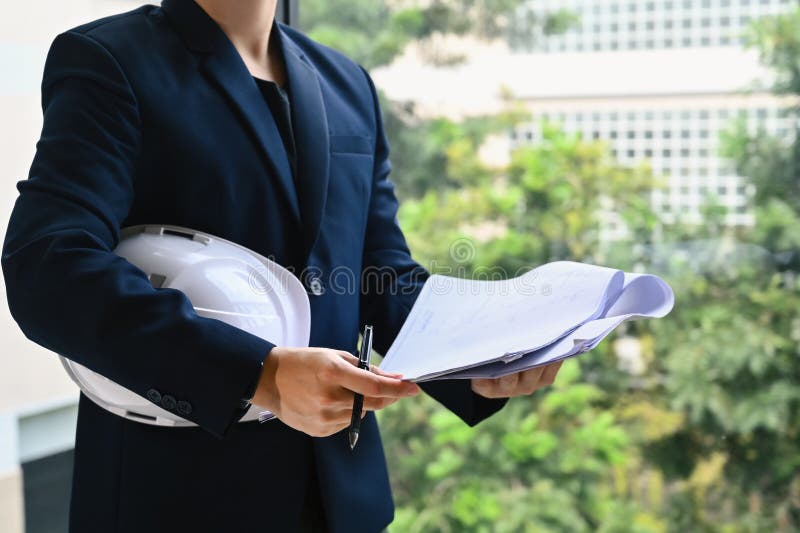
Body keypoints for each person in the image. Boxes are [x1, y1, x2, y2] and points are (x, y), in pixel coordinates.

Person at [1, 0, 563, 531]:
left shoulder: (348, 84)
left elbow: (379, 275)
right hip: (176, 499)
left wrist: (480, 355)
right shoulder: (112, 61)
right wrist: (259, 375)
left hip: (345, 499)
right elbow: (49, 267)